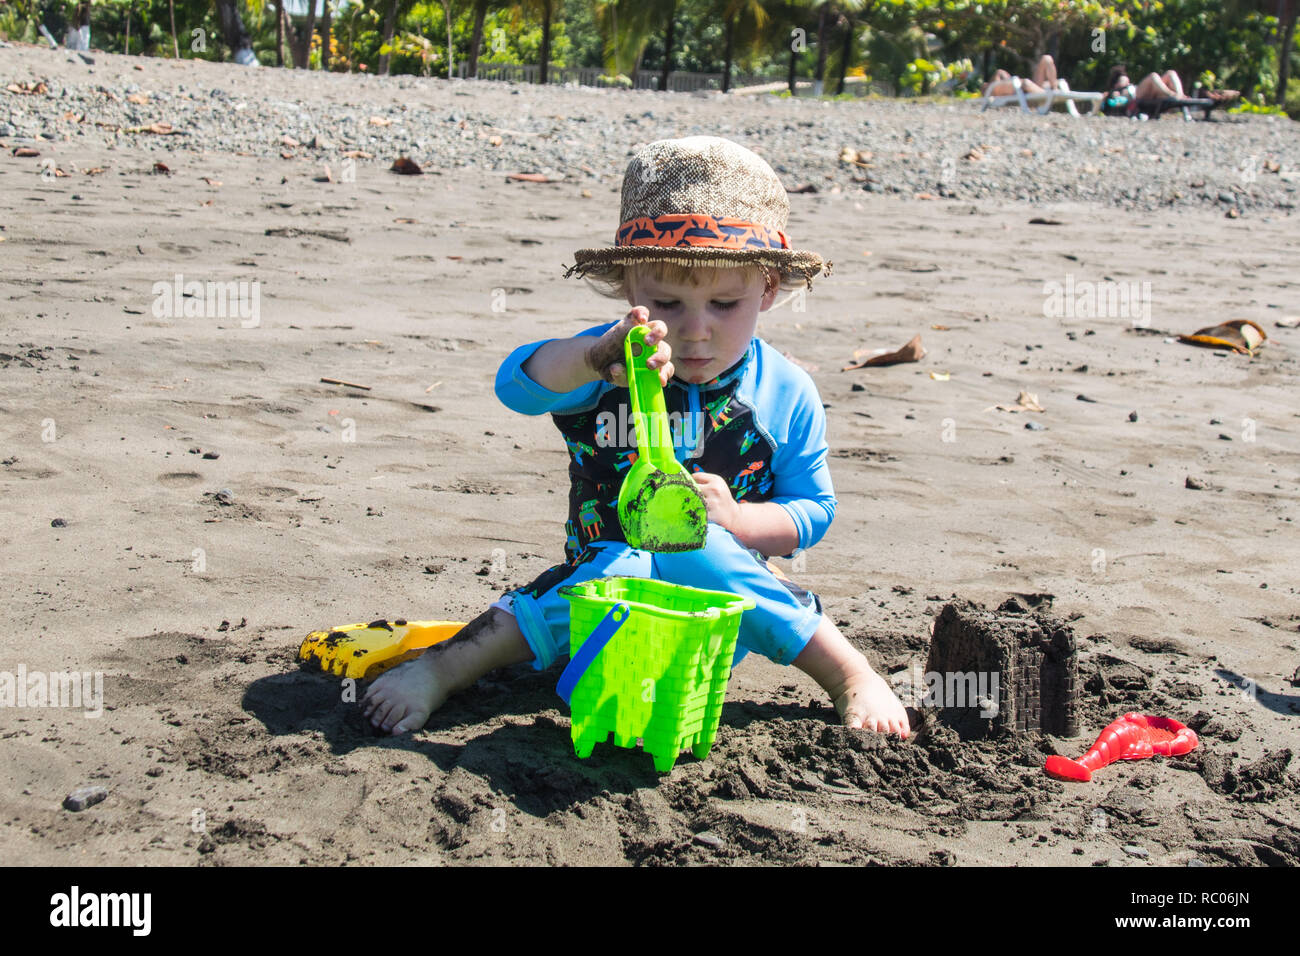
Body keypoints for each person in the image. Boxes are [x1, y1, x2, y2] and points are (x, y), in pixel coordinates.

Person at [362, 136, 911, 740]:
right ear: (629, 287)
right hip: (600, 585)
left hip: (723, 607)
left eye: (726, 304)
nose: (695, 331)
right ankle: (440, 670)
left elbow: (815, 508)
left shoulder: (785, 391)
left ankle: (850, 675)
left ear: (770, 291)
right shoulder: (608, 362)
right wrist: (593, 360)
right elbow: (515, 385)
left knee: (708, 552)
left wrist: (743, 521)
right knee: (586, 581)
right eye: (667, 302)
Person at [982, 54, 1064, 97]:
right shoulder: (994, 88)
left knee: (1046, 58)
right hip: (1027, 89)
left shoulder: (1003, 80)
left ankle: (1054, 89)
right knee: (1025, 83)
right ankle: (1051, 94)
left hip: (1031, 88)